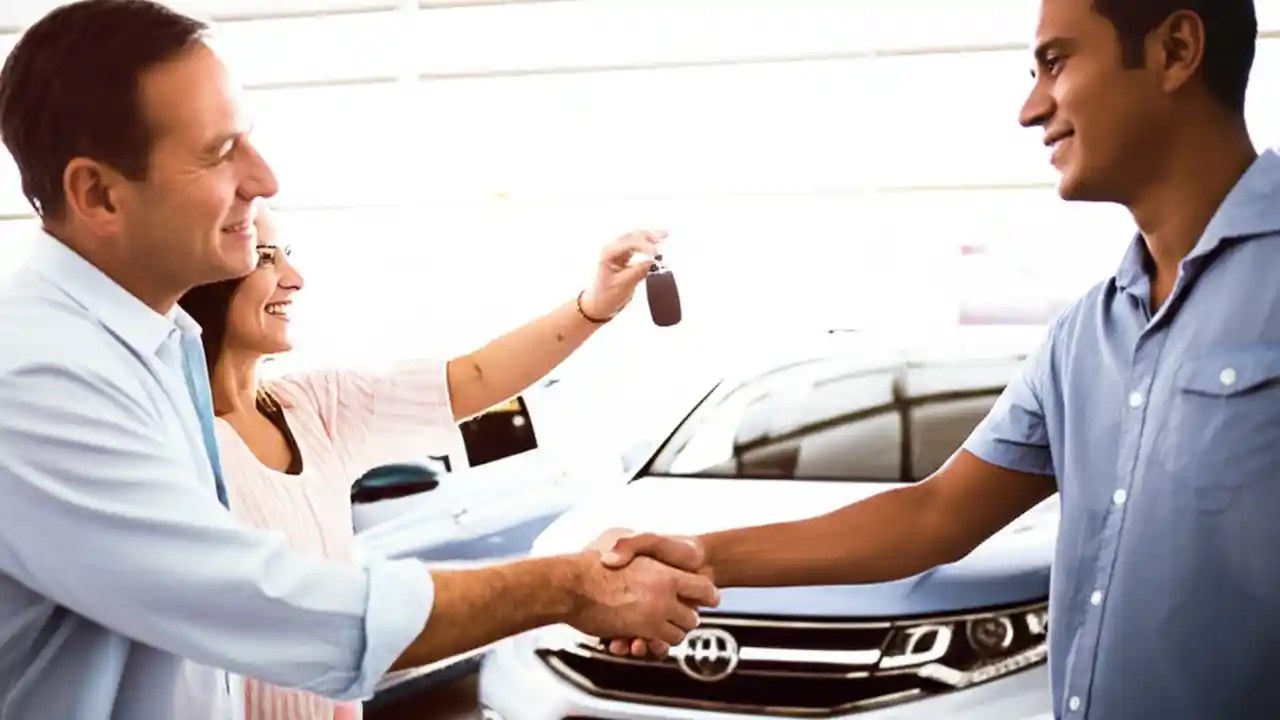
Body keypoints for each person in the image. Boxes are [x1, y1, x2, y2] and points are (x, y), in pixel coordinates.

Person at [0, 2, 716, 719]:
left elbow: (468, 379)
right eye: (220, 152)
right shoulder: (38, 380)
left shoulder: (157, 353)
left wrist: (594, 304)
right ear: (97, 194)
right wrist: (573, 586)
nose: (266, 178)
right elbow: (271, 610)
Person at [599, 1, 1277, 718]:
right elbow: (933, 515)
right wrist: (698, 558)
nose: (1029, 108)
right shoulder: (1086, 334)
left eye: (1056, 62)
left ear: (1174, 49)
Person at [175, 206, 673, 720]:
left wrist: (595, 304)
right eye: (264, 258)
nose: (294, 280)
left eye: (287, 257)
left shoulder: (314, 405)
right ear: (201, 279)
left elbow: (473, 377)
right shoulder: (173, 440)